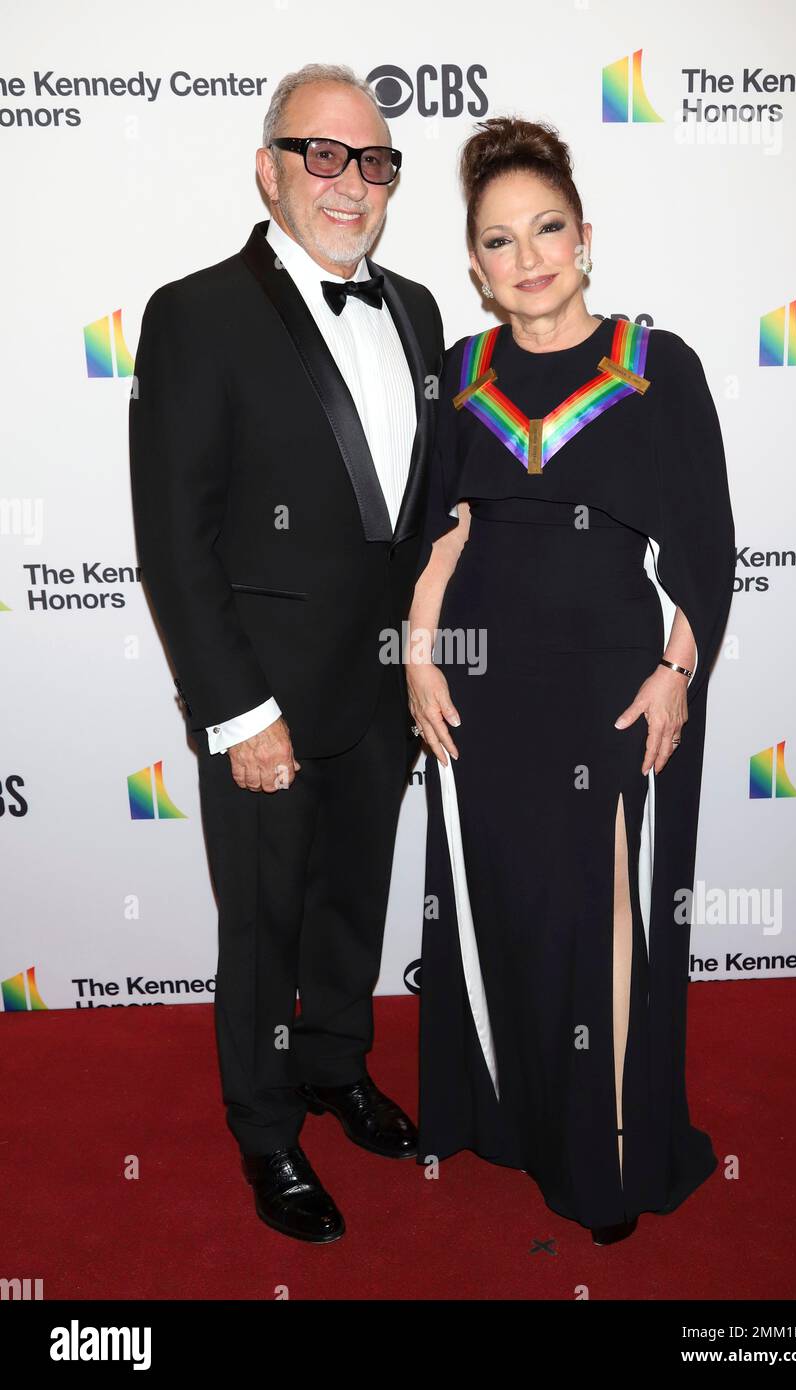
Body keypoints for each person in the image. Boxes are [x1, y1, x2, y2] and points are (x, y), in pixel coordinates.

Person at [406, 116, 736, 1245]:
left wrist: (675, 671)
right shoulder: (460, 372)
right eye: (499, 240)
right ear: (475, 265)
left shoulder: (656, 366)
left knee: (599, 904)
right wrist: (416, 654)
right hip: (484, 679)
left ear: (584, 236)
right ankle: (508, 1116)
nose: (528, 255)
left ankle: (598, 1148)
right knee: (498, 900)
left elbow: (705, 545)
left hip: (603, 678)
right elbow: (441, 537)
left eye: (546, 228)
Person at [129, 64, 444, 1243]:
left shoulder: (416, 308)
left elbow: (416, 512)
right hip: (262, 701)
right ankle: (266, 1132)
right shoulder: (193, 312)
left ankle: (333, 1065)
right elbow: (174, 536)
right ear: (268, 170)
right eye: (321, 155)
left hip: (379, 694)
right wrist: (234, 709)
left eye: (372, 161)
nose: (349, 182)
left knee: (350, 907)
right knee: (260, 928)